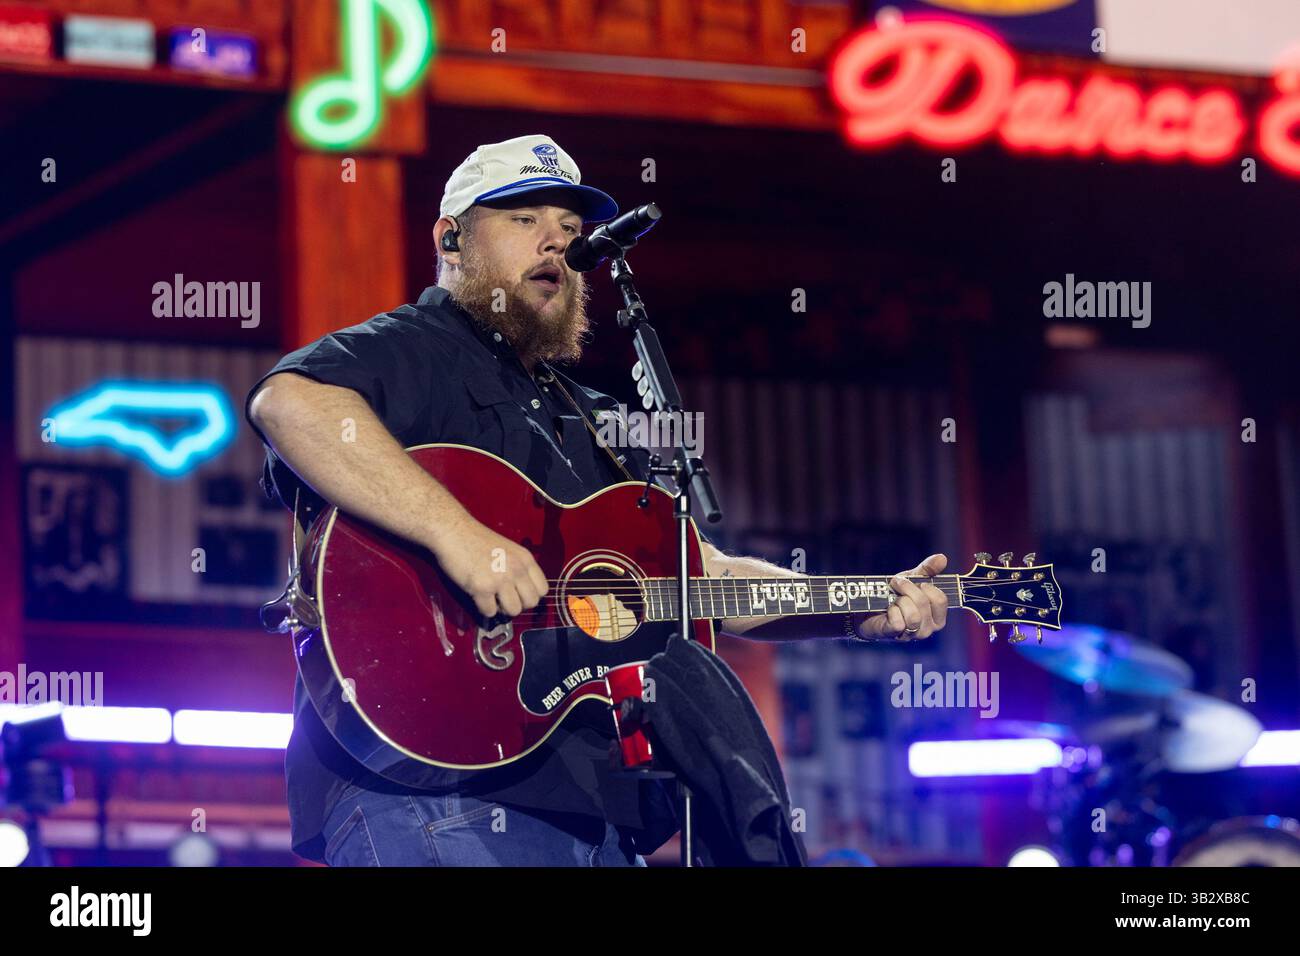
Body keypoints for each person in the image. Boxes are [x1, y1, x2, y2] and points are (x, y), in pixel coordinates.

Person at [246, 134, 949, 866]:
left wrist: (855, 605)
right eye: (524, 218)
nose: (557, 239)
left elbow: (697, 578)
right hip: (435, 794)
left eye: (572, 228)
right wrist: (457, 534)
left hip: (599, 815)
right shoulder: (411, 348)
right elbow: (290, 404)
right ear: (450, 238)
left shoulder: (596, 417)